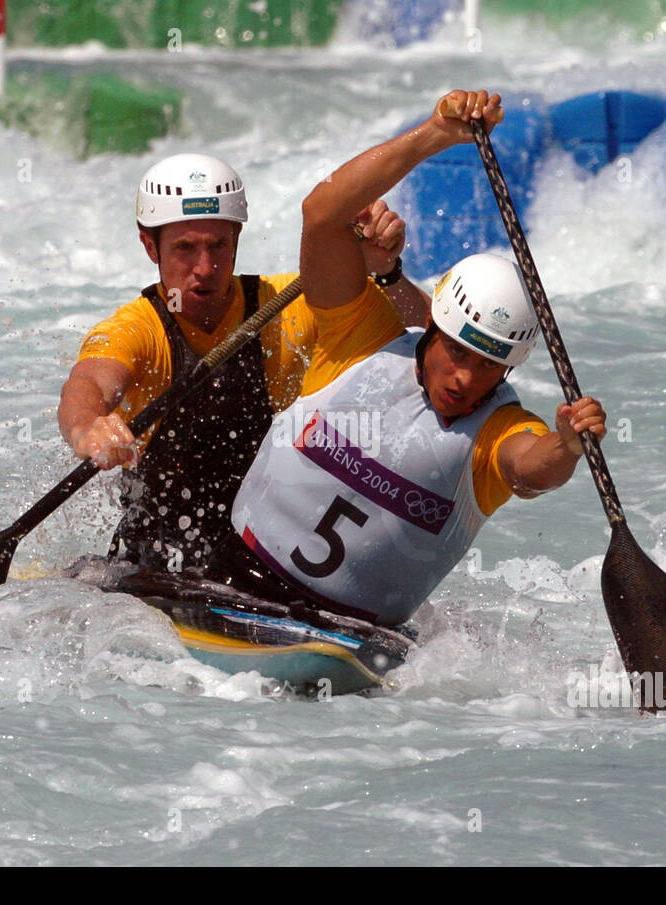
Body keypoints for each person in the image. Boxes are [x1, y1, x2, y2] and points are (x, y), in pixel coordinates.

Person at [203, 89, 608, 626]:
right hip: (229, 578)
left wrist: (567, 446)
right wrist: (433, 136)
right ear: (432, 325)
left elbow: (531, 469)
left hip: (349, 635)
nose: (465, 377)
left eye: (489, 365)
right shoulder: (362, 336)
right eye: (458, 352)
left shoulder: (497, 430)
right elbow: (323, 214)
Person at [58, 153, 428, 571]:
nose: (205, 268)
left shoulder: (287, 304)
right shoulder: (137, 330)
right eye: (184, 248)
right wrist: (90, 427)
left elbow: (431, 341)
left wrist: (386, 273)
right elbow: (86, 385)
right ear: (149, 246)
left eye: (219, 245)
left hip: (273, 559)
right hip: (155, 567)